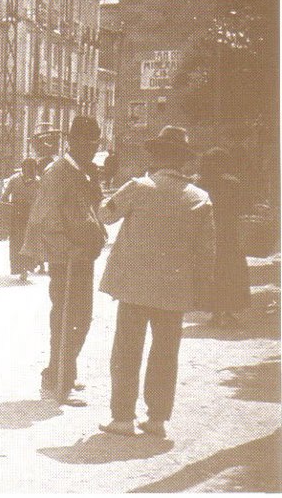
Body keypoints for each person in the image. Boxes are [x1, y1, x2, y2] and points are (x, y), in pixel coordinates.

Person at [97, 126, 215, 438]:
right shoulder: (200, 198)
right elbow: (206, 252)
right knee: (165, 352)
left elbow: (105, 215)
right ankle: (158, 419)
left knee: (126, 350)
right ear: (183, 161)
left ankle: (122, 418)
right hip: (174, 292)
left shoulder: (138, 187)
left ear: (156, 156)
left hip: (134, 286)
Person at [22, 116, 106, 406]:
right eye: (86, 144)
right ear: (72, 142)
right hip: (68, 259)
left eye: (95, 144)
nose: (92, 149)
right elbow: (44, 219)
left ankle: (60, 372)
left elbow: (90, 211)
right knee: (70, 318)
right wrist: (67, 250)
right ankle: (60, 382)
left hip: (81, 257)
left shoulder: (81, 172)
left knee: (78, 318)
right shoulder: (58, 172)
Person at [196, 147, 250, 327]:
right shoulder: (233, 183)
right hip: (229, 234)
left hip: (208, 233)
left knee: (212, 271)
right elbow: (243, 206)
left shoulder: (201, 183)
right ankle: (228, 311)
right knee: (231, 271)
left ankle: (216, 312)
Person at [2, 158, 40, 282]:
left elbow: (43, 199)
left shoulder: (38, 181)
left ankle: (26, 268)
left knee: (28, 242)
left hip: (31, 216)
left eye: (33, 169)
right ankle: (22, 269)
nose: (31, 172)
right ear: (23, 169)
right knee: (18, 242)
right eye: (29, 169)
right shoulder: (14, 179)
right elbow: (5, 196)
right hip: (17, 215)